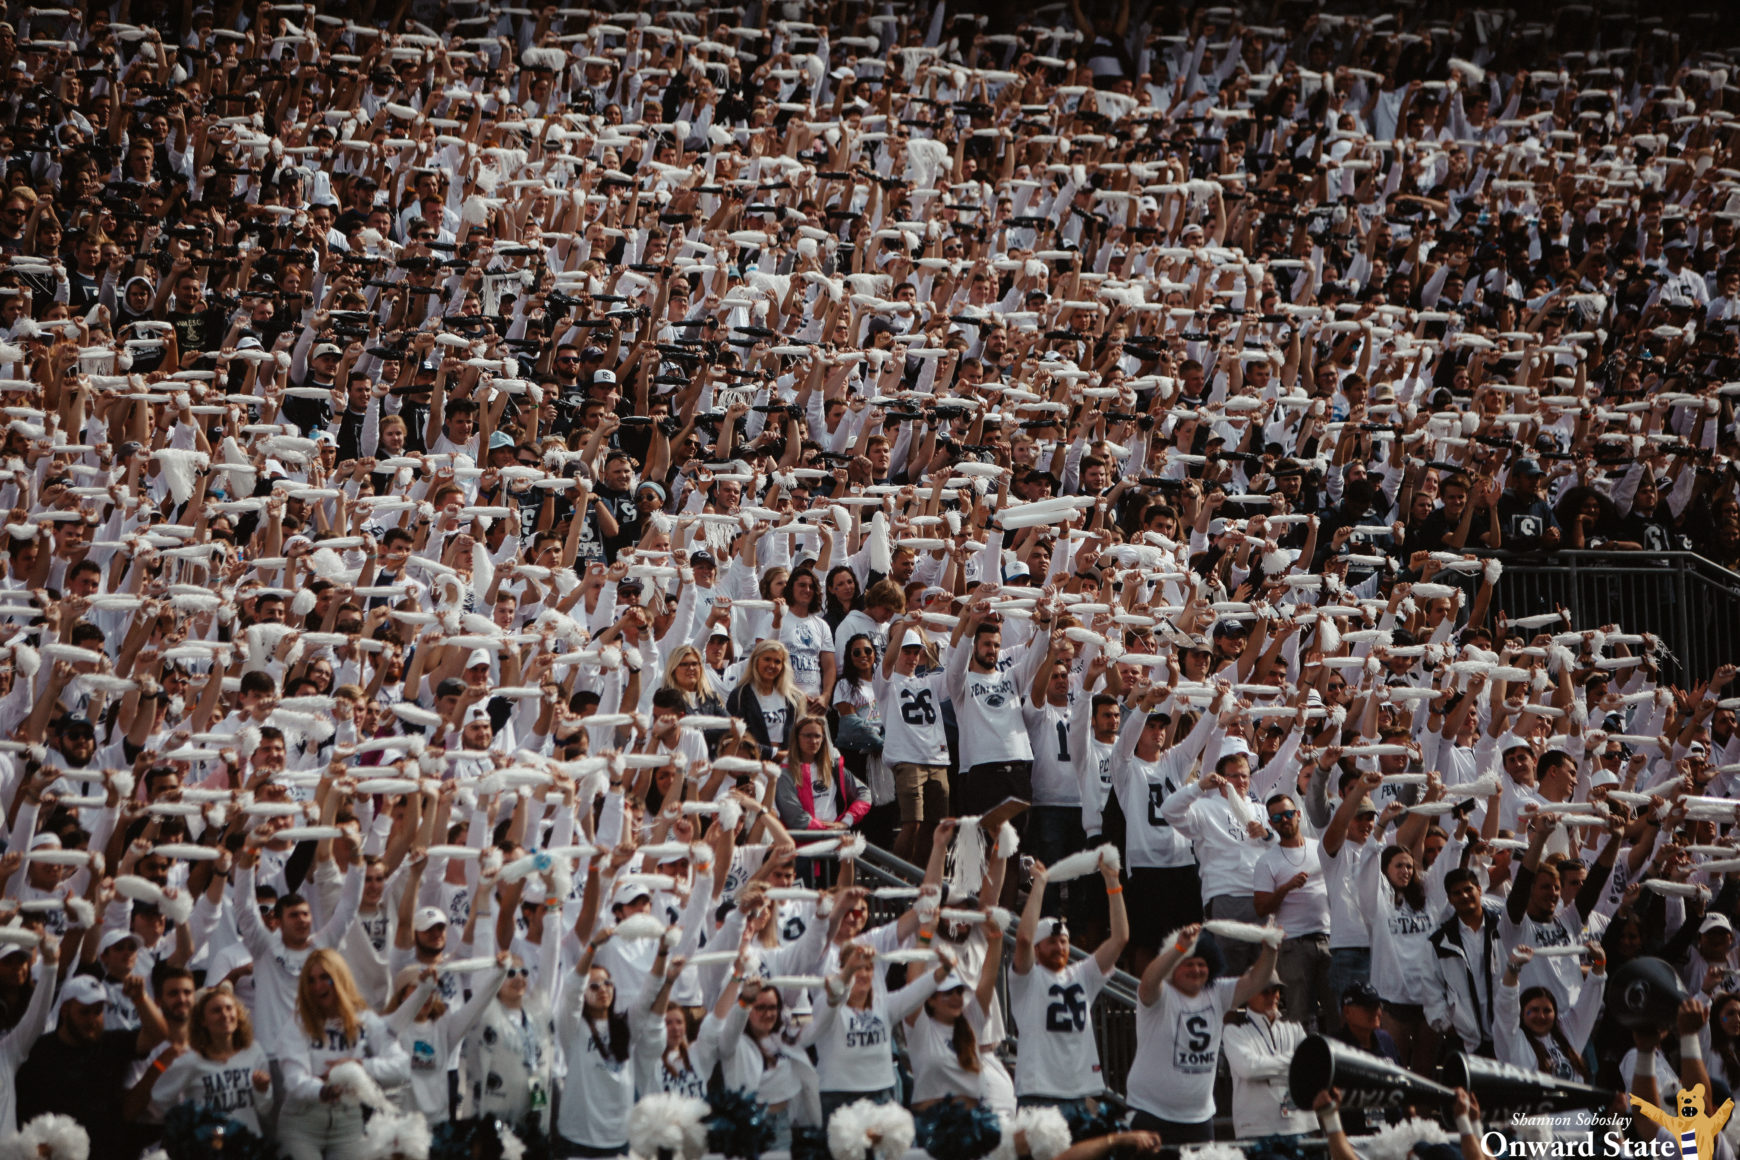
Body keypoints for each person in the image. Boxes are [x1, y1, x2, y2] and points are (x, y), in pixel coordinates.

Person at [1125, 923, 1281, 1142]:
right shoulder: (1160, 995)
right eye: (1188, 964)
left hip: (1198, 1119)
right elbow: (1149, 980)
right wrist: (1179, 948)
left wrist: (1271, 949)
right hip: (1150, 1112)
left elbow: (1257, 980)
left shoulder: (1217, 992)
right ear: (1173, 968)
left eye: (1201, 964)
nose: (1196, 970)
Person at [1009, 854, 1128, 1108]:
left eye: (1063, 942)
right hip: (1038, 1090)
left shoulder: (1082, 974)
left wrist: (1113, 884)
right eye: (1051, 942)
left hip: (1081, 1090)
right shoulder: (1027, 979)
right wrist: (1039, 886)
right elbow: (1023, 940)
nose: (1059, 947)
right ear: (1038, 949)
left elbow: (1119, 939)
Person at [279, 951, 411, 1160]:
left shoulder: (365, 1020)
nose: (317, 987)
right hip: (303, 1123)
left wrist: (359, 1065)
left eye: (325, 978)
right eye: (311, 980)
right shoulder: (297, 1024)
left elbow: (403, 1068)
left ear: (340, 978)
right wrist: (323, 1090)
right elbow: (294, 1079)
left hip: (347, 1121)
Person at [148, 985, 273, 1136]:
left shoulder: (254, 1051)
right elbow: (158, 1101)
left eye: (229, 1008)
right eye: (216, 1011)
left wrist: (262, 1089)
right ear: (203, 1021)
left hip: (247, 1144)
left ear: (238, 1014)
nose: (225, 1015)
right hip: (209, 1147)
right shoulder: (190, 1060)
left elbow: (265, 1108)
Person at [1223, 963, 1314, 1137]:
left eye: (1276, 990)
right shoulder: (1234, 1030)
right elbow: (1249, 1069)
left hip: (1301, 1124)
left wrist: (1267, 1067)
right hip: (1258, 1128)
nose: (1273, 996)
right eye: (1266, 991)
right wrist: (1293, 1061)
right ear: (1248, 994)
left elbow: (1309, 1066)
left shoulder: (1293, 1026)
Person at [1495, 944, 1607, 1083]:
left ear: (1555, 1014)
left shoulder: (1568, 1032)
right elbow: (1506, 1006)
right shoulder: (1513, 1042)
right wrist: (1513, 969)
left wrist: (1600, 962)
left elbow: (1590, 1000)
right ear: (1522, 1014)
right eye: (1533, 1010)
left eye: (1547, 1010)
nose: (1541, 1016)